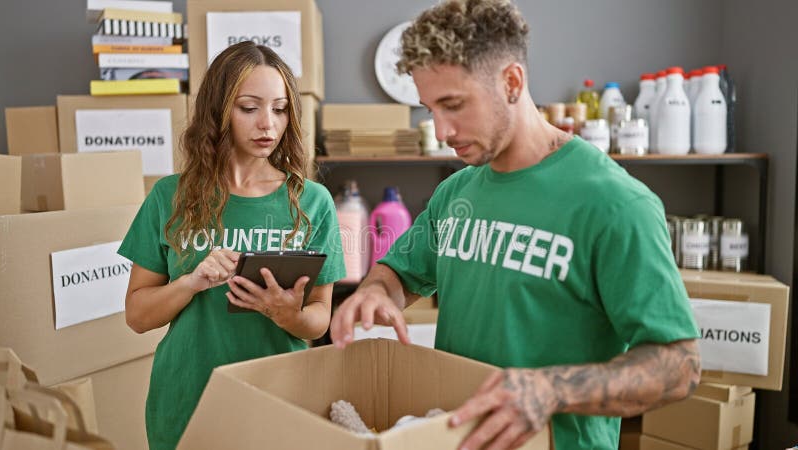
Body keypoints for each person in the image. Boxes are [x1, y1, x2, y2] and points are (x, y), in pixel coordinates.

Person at [329, 1, 701, 449]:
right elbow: (399, 274)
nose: (442, 130)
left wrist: (551, 390)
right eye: (430, 110)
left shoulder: (615, 204)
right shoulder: (457, 192)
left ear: (511, 81)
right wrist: (374, 291)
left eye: (453, 105)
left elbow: (679, 366)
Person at [118, 41, 345, 450]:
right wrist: (191, 282)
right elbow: (137, 316)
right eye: (249, 107)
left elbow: (320, 320)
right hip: (187, 399)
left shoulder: (311, 201)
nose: (268, 125)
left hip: (278, 400)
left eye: (279, 109)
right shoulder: (169, 196)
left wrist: (287, 313)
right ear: (218, 111)